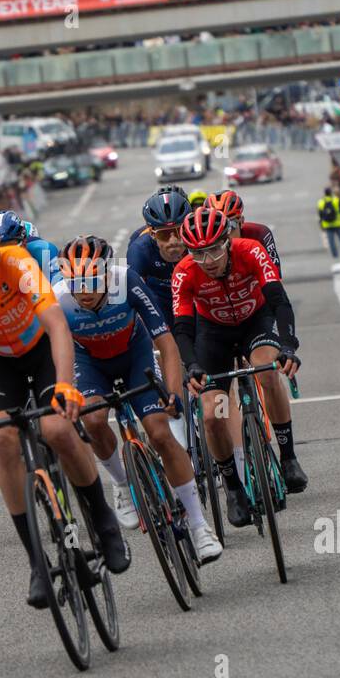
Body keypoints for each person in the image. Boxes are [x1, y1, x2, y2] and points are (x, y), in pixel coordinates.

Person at [0, 208, 129, 609]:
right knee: (2, 437)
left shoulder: (19, 264)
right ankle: (37, 561)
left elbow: (57, 326)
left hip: (39, 349)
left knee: (56, 430)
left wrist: (66, 388)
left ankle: (103, 518)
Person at [54, 237, 222, 562]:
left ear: (106, 274)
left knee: (160, 431)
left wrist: (172, 393)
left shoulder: (125, 280)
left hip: (135, 354)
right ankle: (121, 483)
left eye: (90, 281)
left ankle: (200, 527)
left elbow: (166, 341)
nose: (83, 291)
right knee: (93, 419)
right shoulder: (58, 298)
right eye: (75, 282)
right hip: (88, 363)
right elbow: (52, 354)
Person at [173, 208, 305, 527]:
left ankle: (288, 458)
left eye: (215, 249)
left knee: (266, 370)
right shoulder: (184, 272)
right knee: (211, 414)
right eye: (198, 253)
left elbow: (279, 301)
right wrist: (191, 365)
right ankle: (233, 489)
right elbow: (182, 328)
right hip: (213, 335)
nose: (208, 260)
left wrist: (287, 345)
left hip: (255, 322)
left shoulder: (251, 251)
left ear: (228, 241)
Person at [127, 188, 191, 326]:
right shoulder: (138, 249)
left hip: (191, 294)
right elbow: (122, 297)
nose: (173, 241)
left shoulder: (197, 237)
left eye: (179, 232)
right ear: (152, 234)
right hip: (158, 298)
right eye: (164, 235)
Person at [205, 190, 281, 271]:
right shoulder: (202, 250)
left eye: (230, 227)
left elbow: (274, 275)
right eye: (215, 231)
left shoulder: (260, 234)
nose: (224, 237)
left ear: (241, 222)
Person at [0, 211, 60, 284]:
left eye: (10, 248)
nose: (5, 254)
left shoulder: (43, 251)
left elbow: (57, 288)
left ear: (24, 242)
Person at [317, 186, 340, 258]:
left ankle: (335, 255)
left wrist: (321, 224)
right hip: (338, 224)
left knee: (331, 241)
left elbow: (320, 215)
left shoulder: (320, 202)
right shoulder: (336, 200)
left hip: (327, 225)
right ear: (331, 193)